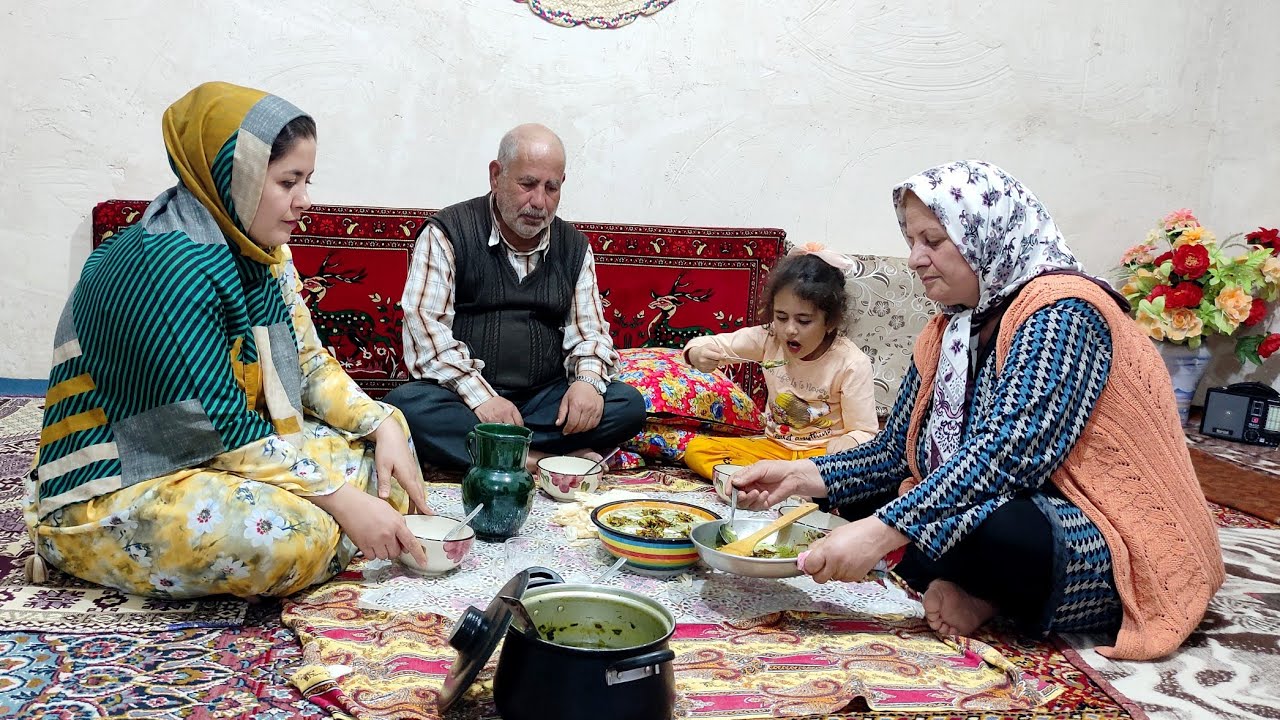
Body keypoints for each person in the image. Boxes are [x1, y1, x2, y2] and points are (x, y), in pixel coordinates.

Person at [731, 160, 1223, 661]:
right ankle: (972, 592)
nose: (916, 259)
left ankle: (983, 592)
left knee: (995, 529)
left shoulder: (1064, 311)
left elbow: (1011, 454)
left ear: (986, 233)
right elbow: (894, 452)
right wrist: (797, 477)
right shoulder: (949, 329)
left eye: (934, 241)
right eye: (912, 241)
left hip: (1100, 524)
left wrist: (881, 532)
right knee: (863, 499)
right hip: (995, 497)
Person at [24, 82, 431, 599]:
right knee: (291, 538)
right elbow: (221, 424)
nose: (304, 202)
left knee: (388, 447)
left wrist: (381, 422)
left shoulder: (261, 250)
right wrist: (342, 500)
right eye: (288, 182)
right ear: (235, 178)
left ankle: (347, 522)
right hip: (123, 480)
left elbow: (306, 363)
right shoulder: (172, 266)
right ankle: (344, 531)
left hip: (219, 456)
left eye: (306, 181)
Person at [387, 124, 645, 474]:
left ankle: (493, 448)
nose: (539, 202)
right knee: (407, 409)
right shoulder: (447, 233)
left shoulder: (574, 247)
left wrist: (586, 383)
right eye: (527, 184)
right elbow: (426, 336)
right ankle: (537, 459)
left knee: (626, 404)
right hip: (465, 400)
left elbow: (590, 334)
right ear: (496, 176)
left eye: (551, 188)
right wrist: (483, 399)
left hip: (544, 401)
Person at [680, 245, 878, 479]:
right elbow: (706, 344)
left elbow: (865, 431)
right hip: (773, 450)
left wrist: (849, 441)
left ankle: (767, 482)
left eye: (804, 321)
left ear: (831, 322)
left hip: (819, 458)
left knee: (856, 473)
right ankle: (768, 482)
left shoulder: (851, 362)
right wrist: (697, 354)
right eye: (781, 317)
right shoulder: (769, 338)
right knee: (696, 449)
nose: (789, 330)